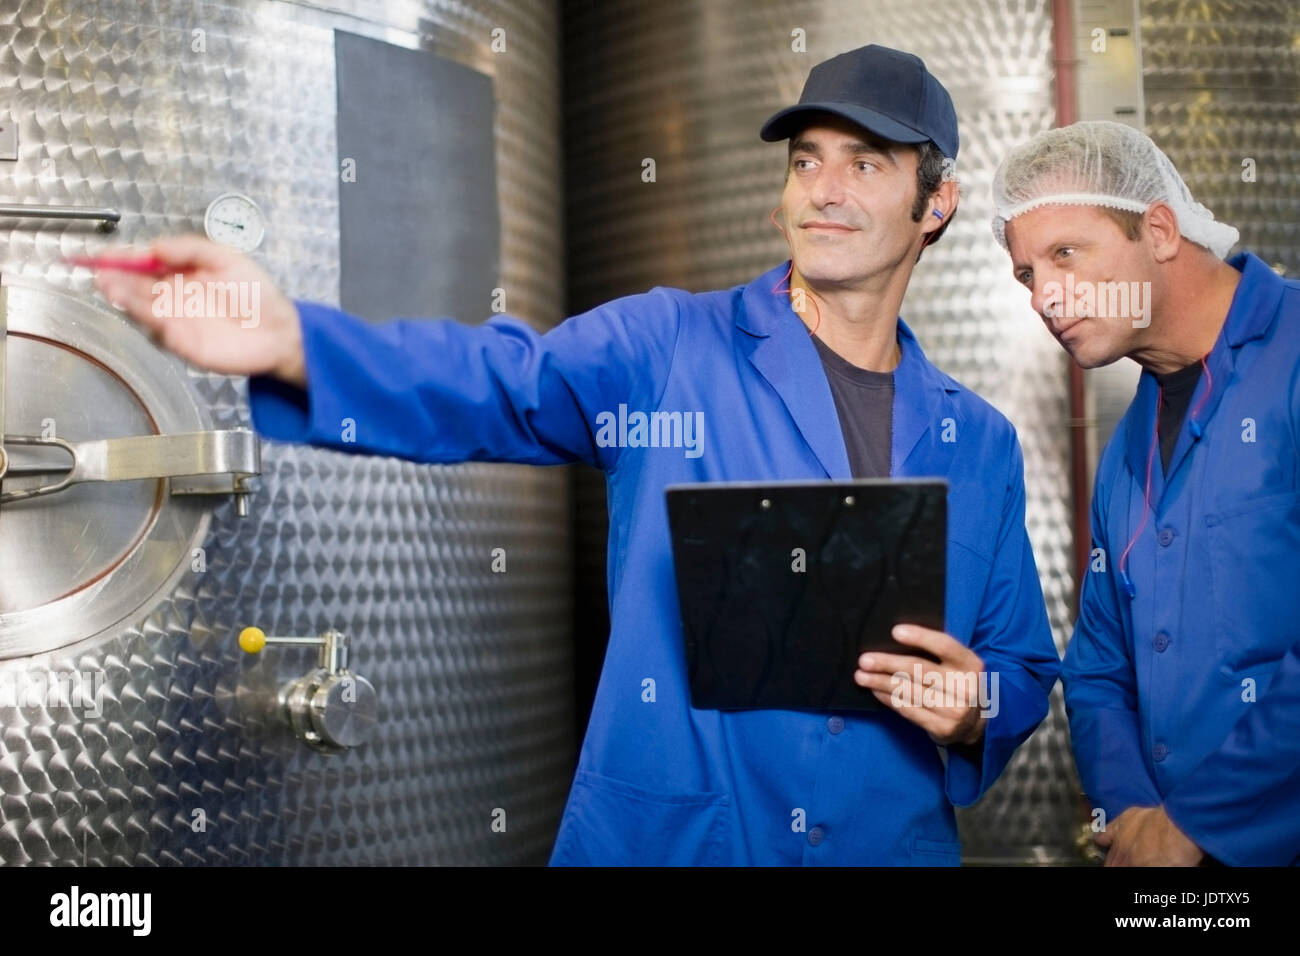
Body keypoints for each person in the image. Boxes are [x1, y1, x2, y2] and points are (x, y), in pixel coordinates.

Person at [95, 44, 1059, 866]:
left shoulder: (976, 440)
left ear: (936, 203)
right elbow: (497, 380)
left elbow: (1019, 662)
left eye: (866, 164)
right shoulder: (669, 346)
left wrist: (977, 707)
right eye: (806, 163)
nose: (825, 191)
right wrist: (298, 344)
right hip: (682, 841)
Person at [992, 120, 1300, 866]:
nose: (1045, 298)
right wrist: (1133, 815)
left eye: (1066, 253)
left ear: (1158, 229)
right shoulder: (1131, 445)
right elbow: (1098, 666)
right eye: (1028, 275)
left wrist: (1194, 826)